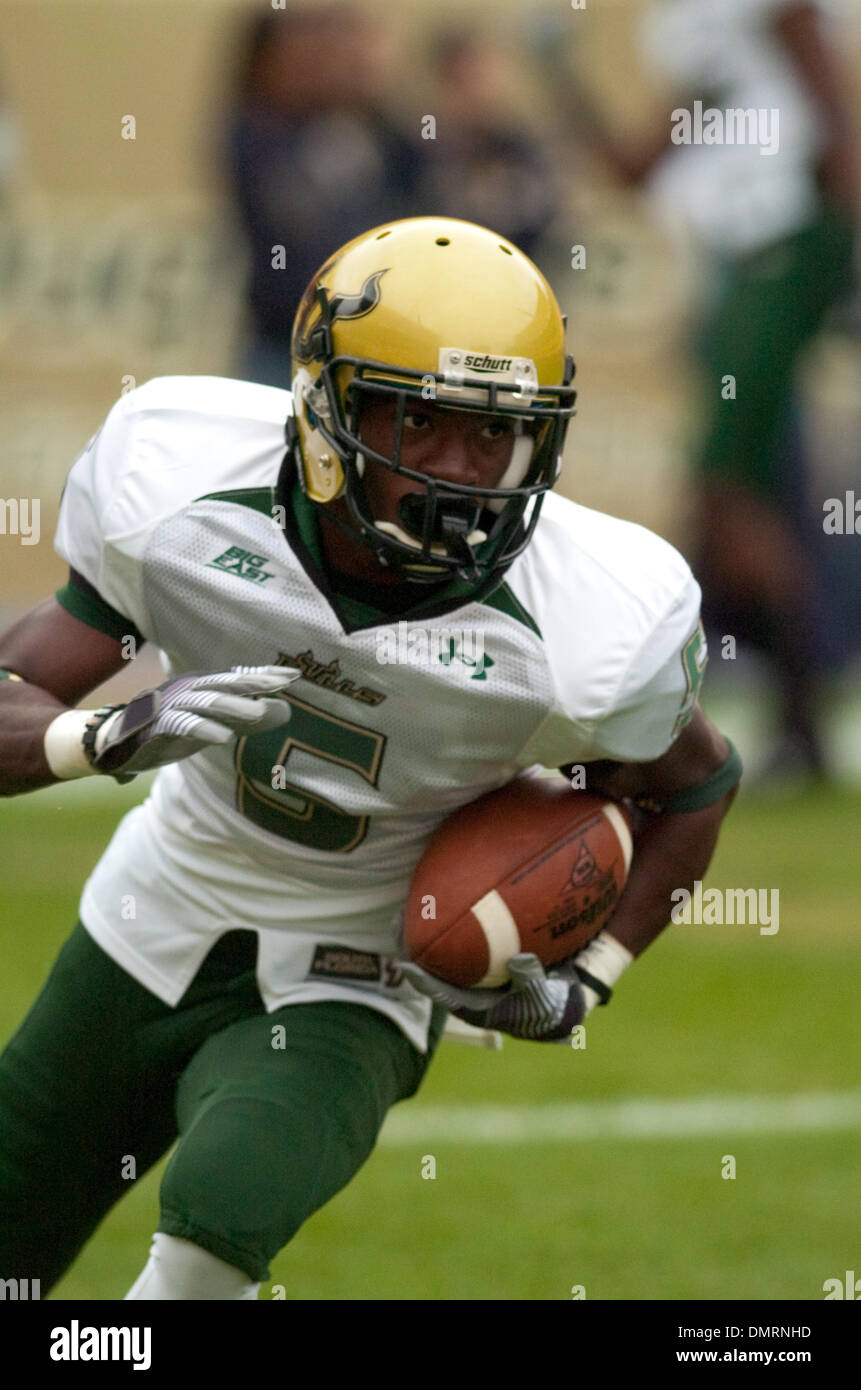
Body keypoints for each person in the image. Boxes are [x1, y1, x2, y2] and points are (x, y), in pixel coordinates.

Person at [0, 217, 740, 1301]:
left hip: (356, 968)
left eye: (497, 434)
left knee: (219, 1217)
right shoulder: (178, 482)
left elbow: (696, 787)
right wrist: (102, 735)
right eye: (424, 420)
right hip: (153, 909)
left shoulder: (588, 627)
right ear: (324, 410)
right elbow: (22, 687)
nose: (462, 470)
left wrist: (589, 979)